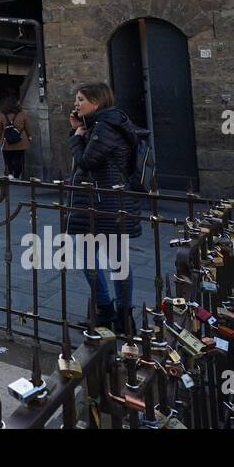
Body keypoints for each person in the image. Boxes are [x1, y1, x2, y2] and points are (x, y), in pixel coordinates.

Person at [66, 81, 143, 335]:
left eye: (81, 99)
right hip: (103, 202)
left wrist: (76, 137)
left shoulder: (105, 127)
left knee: (108, 261)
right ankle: (113, 313)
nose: (76, 104)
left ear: (96, 103)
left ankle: (115, 314)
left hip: (105, 203)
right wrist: (81, 129)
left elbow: (87, 161)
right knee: (104, 260)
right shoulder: (103, 125)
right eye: (76, 99)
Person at [0, 96, 32, 180]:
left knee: (8, 159)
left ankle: (10, 173)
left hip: (7, 141)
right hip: (20, 141)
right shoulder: (22, 114)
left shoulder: (1, 115)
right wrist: (29, 136)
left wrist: (0, 139)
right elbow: (27, 127)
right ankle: (17, 175)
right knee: (19, 159)